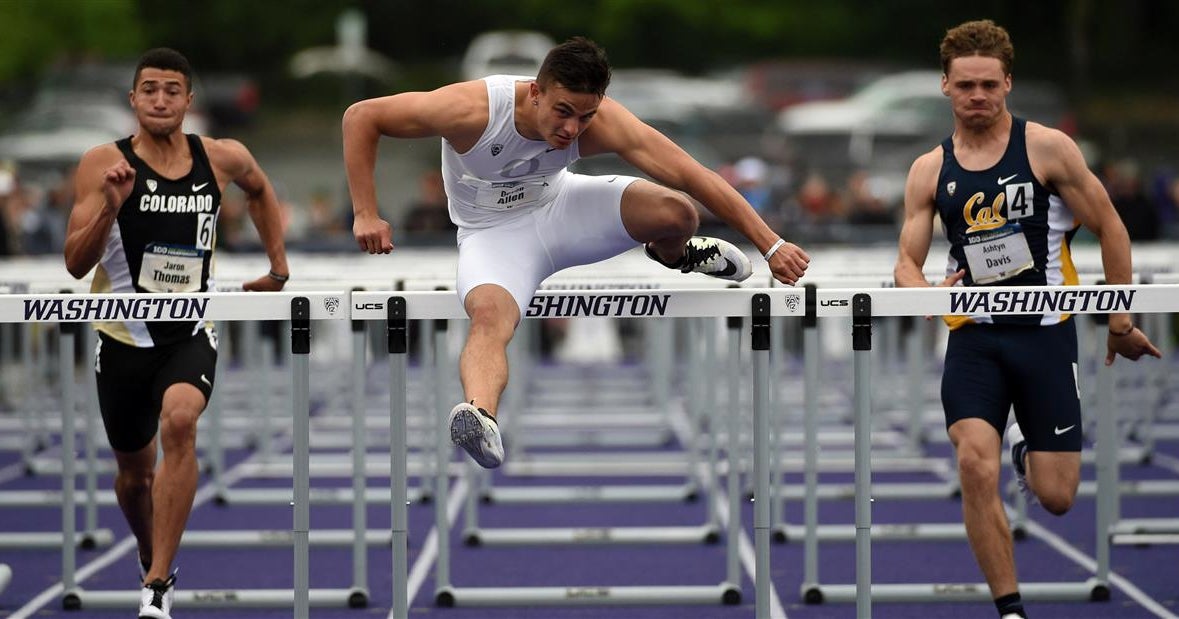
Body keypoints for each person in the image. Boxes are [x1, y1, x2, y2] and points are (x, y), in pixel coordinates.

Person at [344, 36, 809, 469]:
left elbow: (692, 172)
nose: (571, 130)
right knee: (490, 318)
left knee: (678, 211)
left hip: (563, 207)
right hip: (493, 235)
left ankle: (674, 254)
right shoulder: (472, 110)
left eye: (585, 117)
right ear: (534, 93)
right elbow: (362, 116)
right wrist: (366, 212)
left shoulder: (601, 121)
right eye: (563, 112)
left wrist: (772, 243)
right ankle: (480, 414)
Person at [893, 20, 1161, 619]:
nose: (978, 96)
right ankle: (1010, 608)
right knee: (970, 463)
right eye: (966, 85)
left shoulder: (1047, 148)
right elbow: (906, 264)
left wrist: (1118, 318)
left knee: (1059, 498)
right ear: (946, 87)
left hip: (1045, 337)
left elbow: (1111, 228)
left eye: (989, 84)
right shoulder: (928, 170)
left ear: (1008, 83)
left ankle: (1025, 452)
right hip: (974, 342)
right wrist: (931, 293)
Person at [63, 48, 289, 619]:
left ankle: (159, 583)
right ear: (133, 99)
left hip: (189, 329)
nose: (160, 99)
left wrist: (278, 267)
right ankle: (148, 551)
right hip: (121, 339)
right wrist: (110, 208)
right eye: (149, 89)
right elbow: (72, 263)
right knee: (133, 479)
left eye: (171, 90)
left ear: (189, 101)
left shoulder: (220, 157)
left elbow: (260, 190)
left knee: (181, 422)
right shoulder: (100, 164)